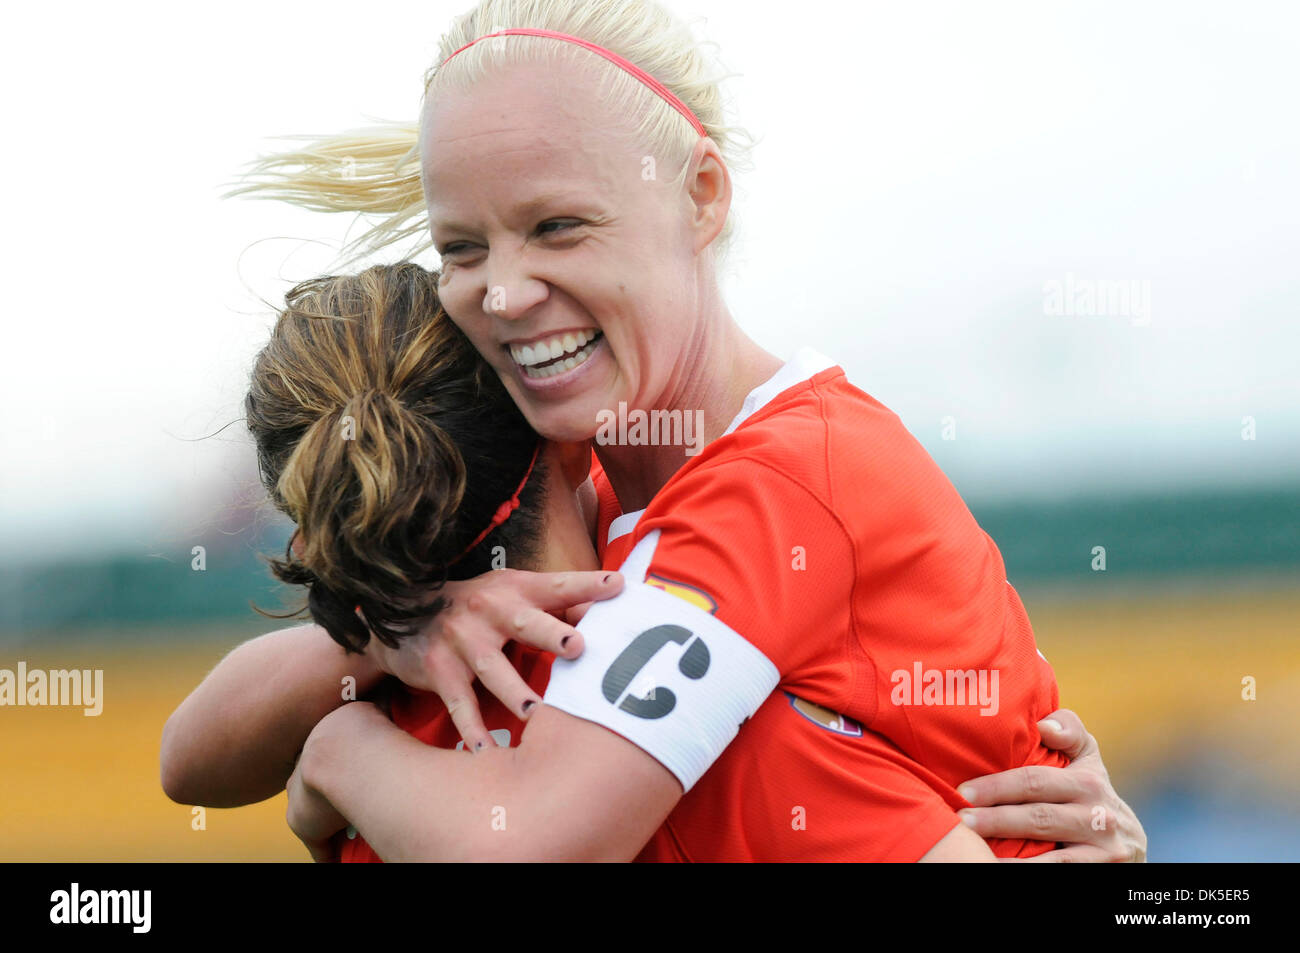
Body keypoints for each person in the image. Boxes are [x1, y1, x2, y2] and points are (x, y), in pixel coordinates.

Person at [182, 0, 1146, 862]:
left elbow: (535, 843)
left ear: (703, 196)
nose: (505, 292)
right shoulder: (572, 492)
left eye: (558, 226)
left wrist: (340, 751)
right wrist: (399, 633)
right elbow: (188, 755)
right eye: (461, 247)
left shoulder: (779, 487)